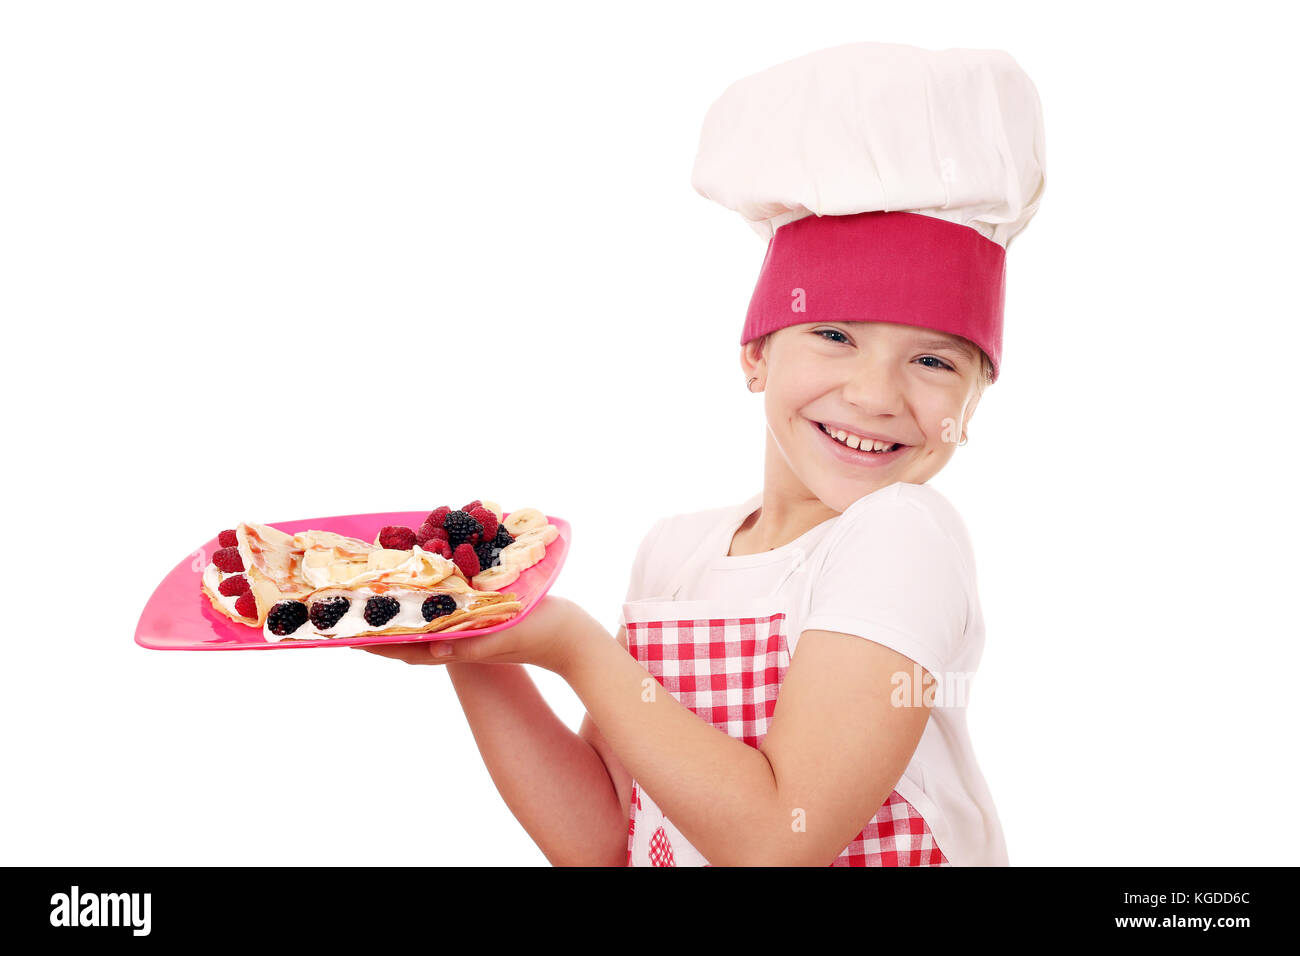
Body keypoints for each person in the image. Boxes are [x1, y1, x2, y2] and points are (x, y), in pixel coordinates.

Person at [361, 40, 1046, 867]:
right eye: (833, 336)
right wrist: (469, 630)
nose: (875, 395)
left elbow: (774, 841)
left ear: (973, 406)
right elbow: (599, 841)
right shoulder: (676, 552)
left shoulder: (904, 535)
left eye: (934, 361)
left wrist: (575, 647)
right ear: (755, 354)